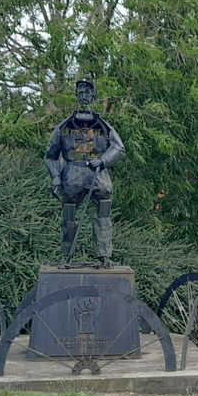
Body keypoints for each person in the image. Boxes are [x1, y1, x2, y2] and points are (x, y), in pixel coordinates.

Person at [44, 79, 125, 267]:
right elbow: (50, 156)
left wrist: (103, 160)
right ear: (76, 96)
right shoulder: (63, 127)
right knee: (68, 218)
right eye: (80, 92)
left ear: (94, 97)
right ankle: (66, 256)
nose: (84, 96)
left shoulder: (103, 126)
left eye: (88, 93)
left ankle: (104, 256)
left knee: (104, 216)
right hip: (71, 177)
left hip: (99, 177)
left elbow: (119, 148)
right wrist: (55, 177)